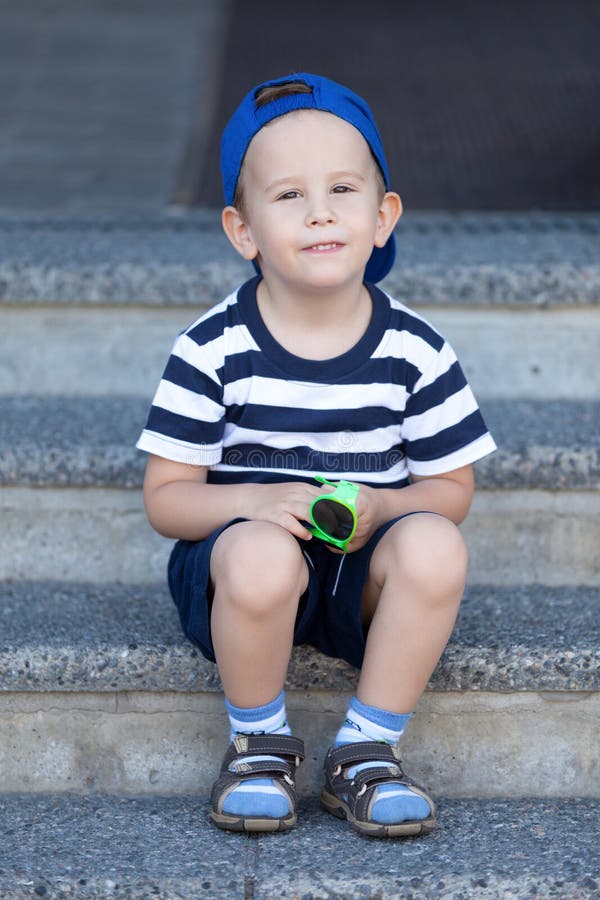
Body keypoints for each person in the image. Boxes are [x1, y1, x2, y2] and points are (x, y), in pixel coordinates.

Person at [137, 72, 496, 838]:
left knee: (437, 541)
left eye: (341, 188)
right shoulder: (213, 347)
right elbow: (166, 498)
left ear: (383, 216)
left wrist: (390, 508)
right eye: (289, 196)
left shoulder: (415, 349)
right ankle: (258, 745)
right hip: (242, 576)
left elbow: (452, 487)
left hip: (356, 573)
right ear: (244, 231)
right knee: (263, 556)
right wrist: (256, 504)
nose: (322, 211)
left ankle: (366, 750)